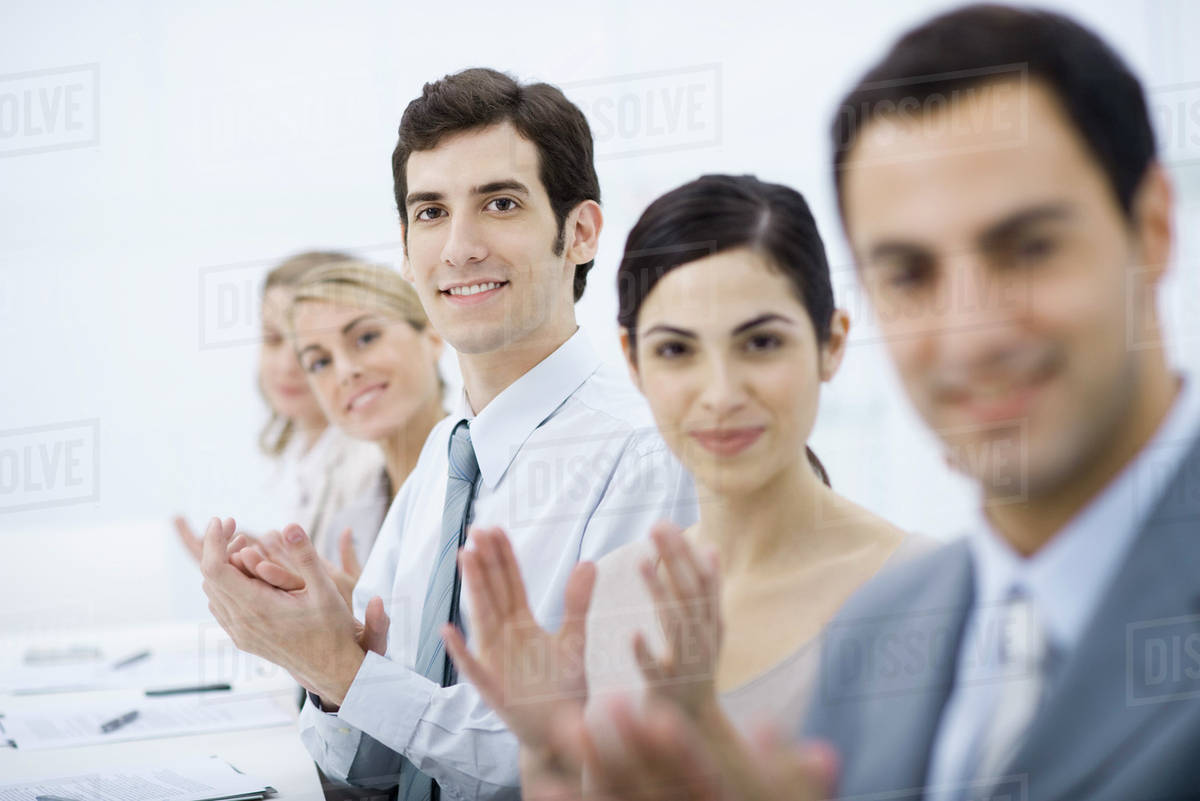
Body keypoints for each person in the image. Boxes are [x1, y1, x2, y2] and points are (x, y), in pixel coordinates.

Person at [545, 5, 1200, 801]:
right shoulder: (901, 622)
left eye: (1029, 248)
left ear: (1155, 227)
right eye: (910, 273)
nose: (972, 336)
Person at [198, 67, 696, 801]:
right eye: (430, 213)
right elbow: (367, 764)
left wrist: (346, 671)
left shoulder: (646, 460)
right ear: (404, 247)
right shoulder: (446, 455)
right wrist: (321, 663)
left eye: (500, 202)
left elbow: (586, 765)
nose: (459, 247)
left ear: (581, 232)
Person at [442, 174, 934, 791]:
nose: (721, 394)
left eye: (761, 342)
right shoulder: (615, 589)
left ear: (831, 344)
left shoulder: (925, 592)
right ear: (634, 360)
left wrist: (711, 746)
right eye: (677, 351)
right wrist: (550, 752)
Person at [231, 260, 448, 605]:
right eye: (320, 362)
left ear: (434, 336)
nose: (345, 372)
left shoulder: (487, 480)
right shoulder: (348, 525)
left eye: (366, 338)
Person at [174, 250, 384, 567]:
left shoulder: (369, 464)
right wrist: (266, 559)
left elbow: (364, 601)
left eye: (309, 346)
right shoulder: (304, 453)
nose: (287, 365)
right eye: (273, 339)